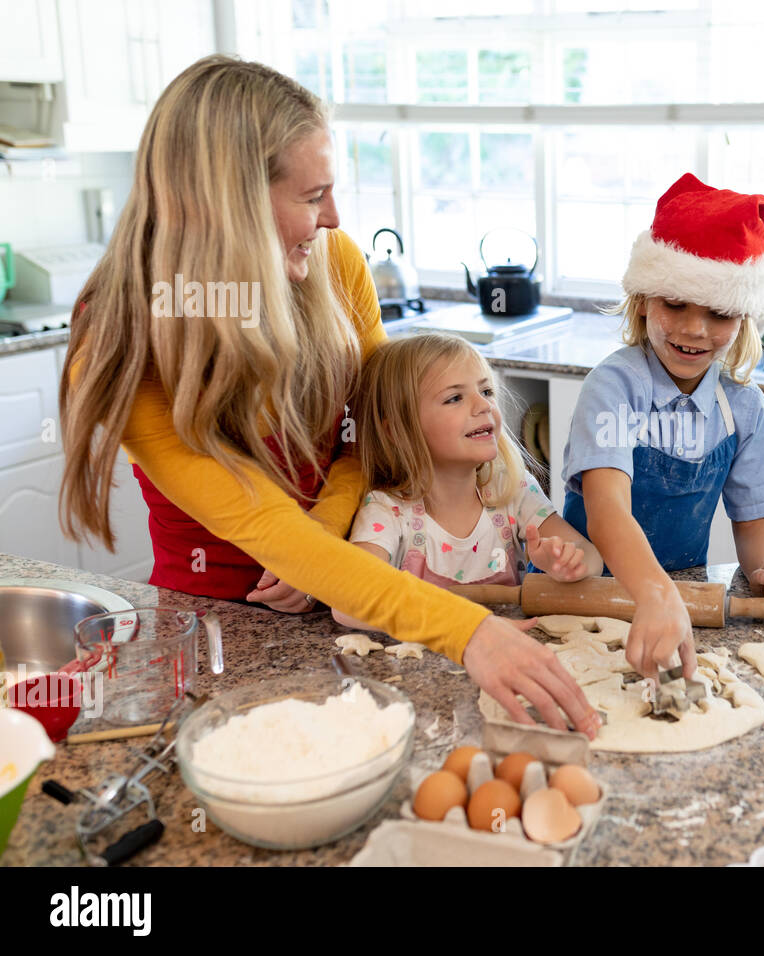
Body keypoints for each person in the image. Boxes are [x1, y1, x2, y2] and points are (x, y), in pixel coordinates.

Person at [57, 55, 600, 738]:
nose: (335, 217)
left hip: (363, 594)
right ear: (233, 207)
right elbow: (262, 527)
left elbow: (377, 429)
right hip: (212, 619)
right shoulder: (119, 334)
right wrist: (470, 633)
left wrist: (325, 530)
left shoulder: (332, 263)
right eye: (312, 197)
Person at [560, 172, 764, 681]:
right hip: (580, 600)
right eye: (675, 304)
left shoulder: (743, 408)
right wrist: (654, 592)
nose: (694, 329)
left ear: (744, 319)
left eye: (718, 313)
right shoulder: (614, 387)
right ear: (643, 299)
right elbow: (606, 516)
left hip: (676, 602)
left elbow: (755, 527)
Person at [332, 333, 602, 631]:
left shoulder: (511, 490)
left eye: (486, 391)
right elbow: (349, 604)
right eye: (455, 398)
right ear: (398, 430)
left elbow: (590, 556)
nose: (483, 405)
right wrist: (467, 628)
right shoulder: (388, 512)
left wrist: (568, 563)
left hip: (508, 657)